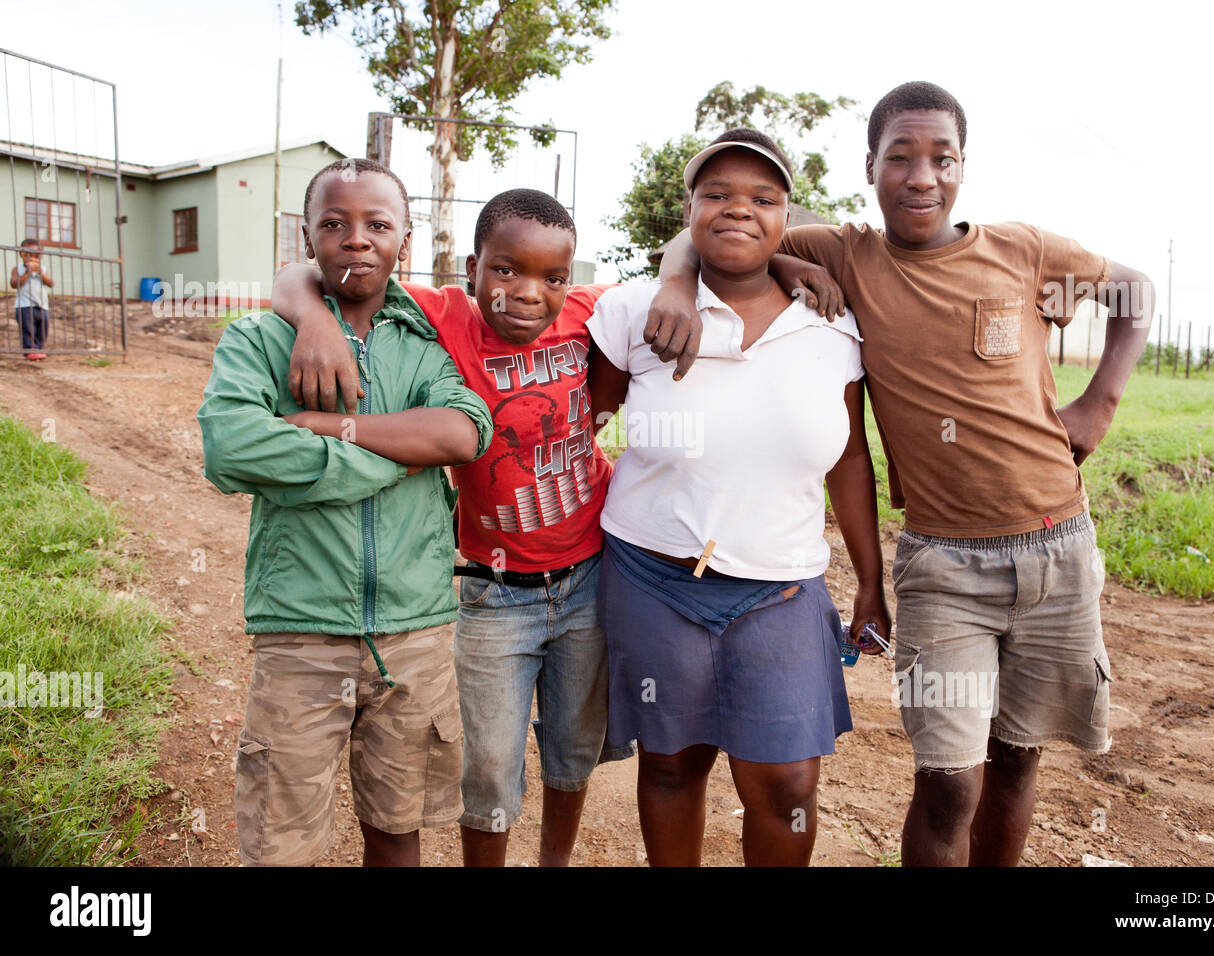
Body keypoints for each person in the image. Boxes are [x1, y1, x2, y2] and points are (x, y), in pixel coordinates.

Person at [654, 82, 1154, 867]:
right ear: (871, 166)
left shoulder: (1022, 250)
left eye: (941, 158)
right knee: (952, 781)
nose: (921, 176)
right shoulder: (849, 253)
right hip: (944, 567)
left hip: (1057, 548)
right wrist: (689, 280)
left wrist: (1100, 403)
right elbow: (707, 233)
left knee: (1018, 758)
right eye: (901, 157)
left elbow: (1134, 290)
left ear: (962, 168)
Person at [272, 188, 836, 867]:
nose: (526, 292)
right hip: (493, 591)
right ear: (472, 267)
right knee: (488, 761)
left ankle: (554, 861)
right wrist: (313, 319)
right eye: (504, 271)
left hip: (592, 578)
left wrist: (772, 267)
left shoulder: (592, 310)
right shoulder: (442, 314)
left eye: (551, 276)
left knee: (572, 752)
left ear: (569, 278)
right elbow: (306, 273)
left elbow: (689, 246)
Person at [586, 128, 891, 867]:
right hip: (652, 575)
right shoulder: (636, 312)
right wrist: (674, 280)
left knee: (786, 780)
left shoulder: (831, 322)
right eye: (715, 194)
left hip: (781, 588)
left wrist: (872, 583)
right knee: (670, 762)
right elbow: (579, 431)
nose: (738, 210)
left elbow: (850, 459)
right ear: (688, 210)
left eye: (763, 198)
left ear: (789, 216)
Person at [197, 158, 494, 866]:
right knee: (282, 837)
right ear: (307, 238)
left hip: (415, 631)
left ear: (405, 240)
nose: (356, 239)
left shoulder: (425, 343)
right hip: (301, 632)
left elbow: (461, 433)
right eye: (334, 223)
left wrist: (333, 429)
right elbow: (232, 449)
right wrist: (392, 459)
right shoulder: (259, 342)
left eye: (377, 224)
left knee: (398, 827)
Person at [10, 238, 53, 360]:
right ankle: (30, 350)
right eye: (29, 256)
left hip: (42, 305)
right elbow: (14, 284)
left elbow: (51, 283)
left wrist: (41, 274)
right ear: (22, 255)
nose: (33, 259)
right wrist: (27, 273)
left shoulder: (43, 269)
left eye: (36, 256)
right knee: (28, 329)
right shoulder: (18, 269)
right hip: (24, 305)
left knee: (43, 329)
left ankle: (38, 349)